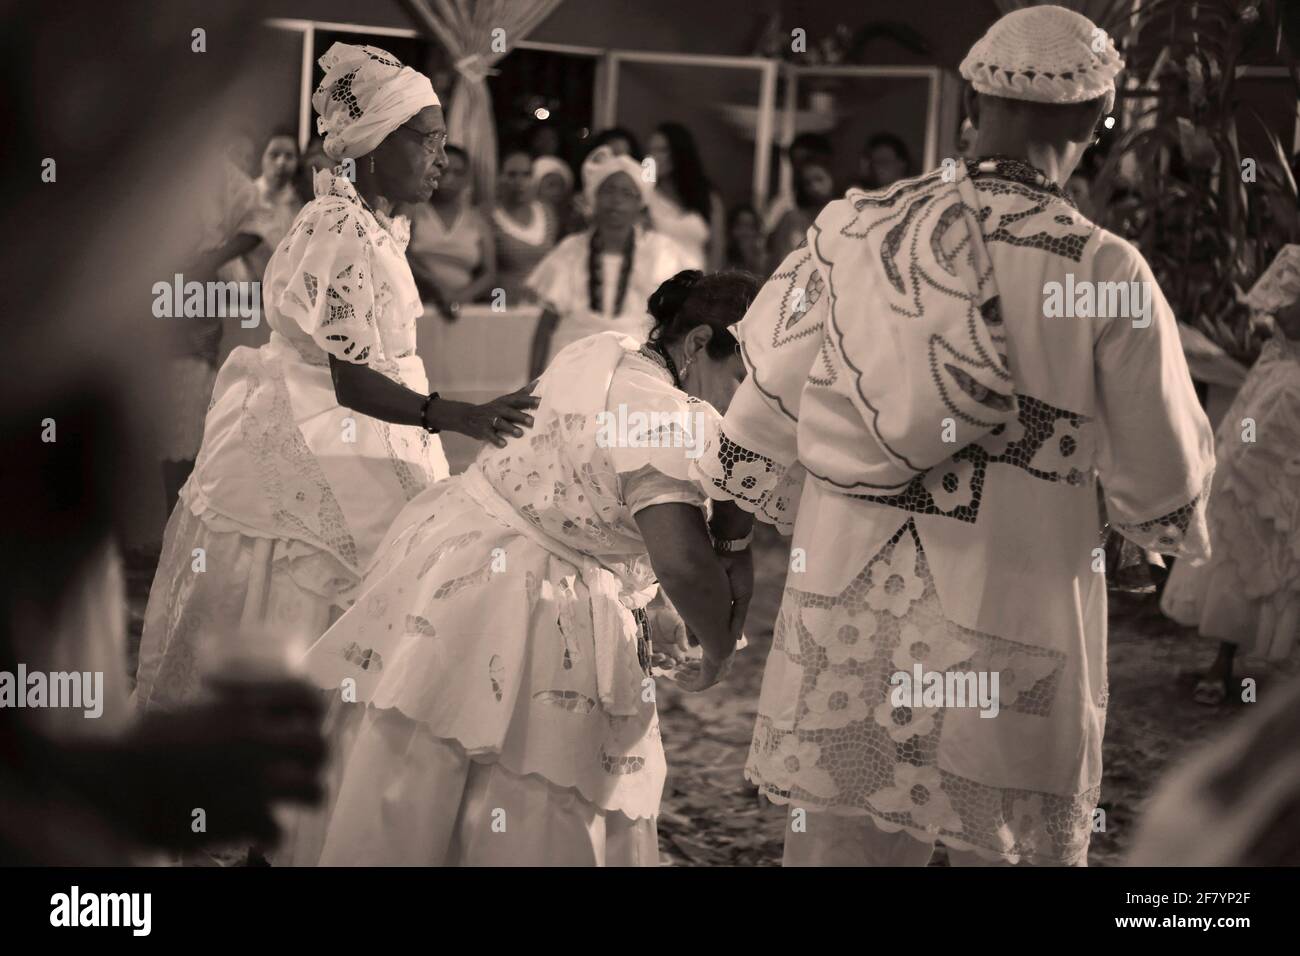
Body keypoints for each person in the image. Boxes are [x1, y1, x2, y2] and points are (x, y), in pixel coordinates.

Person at [689, 4, 1214, 866]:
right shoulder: (1102, 268)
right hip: (1013, 596)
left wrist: (738, 531)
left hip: (849, 595)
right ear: (1094, 120)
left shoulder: (850, 232)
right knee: (999, 839)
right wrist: (1125, 526)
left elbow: (757, 413)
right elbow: (1163, 479)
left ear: (971, 100)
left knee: (838, 840)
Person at [291, 271, 758, 866]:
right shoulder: (667, 414)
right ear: (695, 344)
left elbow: (584, 492)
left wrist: (647, 600)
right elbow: (683, 562)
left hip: (458, 544)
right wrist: (719, 651)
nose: (742, 401)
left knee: (417, 746)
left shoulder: (601, 350)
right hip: (535, 594)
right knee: (531, 777)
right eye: (741, 378)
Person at [134, 43, 539, 714]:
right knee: (326, 577)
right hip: (325, 429)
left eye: (444, 142)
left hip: (369, 424)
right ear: (375, 144)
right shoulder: (339, 226)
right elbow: (352, 381)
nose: (443, 158)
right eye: (428, 141)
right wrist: (460, 415)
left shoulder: (372, 222)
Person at [1162, 245, 1300, 704]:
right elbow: (1277, 318)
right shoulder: (1292, 266)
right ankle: (1225, 660)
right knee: (1236, 515)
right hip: (1273, 396)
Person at [526, 145, 692, 378]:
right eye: (609, 190)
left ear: (640, 203)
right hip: (572, 363)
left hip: (638, 369)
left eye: (627, 193)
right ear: (594, 197)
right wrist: (532, 384)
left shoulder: (663, 252)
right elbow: (545, 328)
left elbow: (677, 326)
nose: (616, 200)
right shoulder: (570, 250)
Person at [405, 144, 497, 319]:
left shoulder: (477, 220)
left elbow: (489, 274)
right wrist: (438, 288)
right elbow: (401, 255)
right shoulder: (412, 210)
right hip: (415, 305)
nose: (449, 178)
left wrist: (458, 298)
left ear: (467, 178)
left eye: (458, 172)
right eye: (444, 170)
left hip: (463, 310)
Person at [645, 122, 725, 271]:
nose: (655, 156)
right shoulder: (646, 195)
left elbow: (717, 249)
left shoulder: (706, 196)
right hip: (655, 285)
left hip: (696, 284)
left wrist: (709, 289)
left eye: (662, 150)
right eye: (651, 150)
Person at [492, 146, 558, 305]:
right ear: (499, 177)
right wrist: (501, 304)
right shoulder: (487, 215)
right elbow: (486, 272)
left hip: (542, 301)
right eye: (512, 174)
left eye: (526, 174)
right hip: (501, 301)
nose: (519, 182)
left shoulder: (547, 212)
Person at [762, 132, 834, 239]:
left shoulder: (851, 204)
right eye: (796, 163)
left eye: (807, 160)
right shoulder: (783, 206)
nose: (800, 169)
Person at [767, 158, 835, 268]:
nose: (814, 187)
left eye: (819, 179)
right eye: (807, 183)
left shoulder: (843, 218)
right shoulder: (791, 219)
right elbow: (779, 262)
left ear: (832, 179)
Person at [533, 154, 584, 240]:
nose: (557, 191)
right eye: (551, 185)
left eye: (561, 186)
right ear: (537, 190)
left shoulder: (576, 218)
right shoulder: (531, 220)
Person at [725, 203, 765, 274]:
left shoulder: (763, 262)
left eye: (751, 227)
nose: (746, 232)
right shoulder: (723, 262)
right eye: (741, 226)